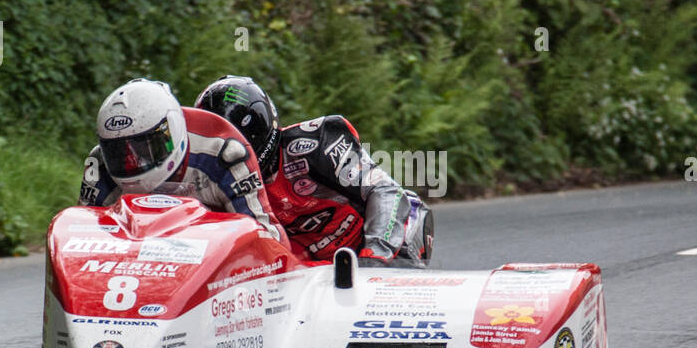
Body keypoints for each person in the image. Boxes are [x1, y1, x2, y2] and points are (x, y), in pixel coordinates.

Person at [194, 75, 433, 266]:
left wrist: (373, 259)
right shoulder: (207, 181)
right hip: (306, 270)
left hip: (370, 248)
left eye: (230, 144)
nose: (225, 155)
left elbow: (385, 191)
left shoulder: (316, 142)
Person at [78, 78, 285, 242]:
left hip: (212, 263)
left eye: (143, 148)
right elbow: (80, 239)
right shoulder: (99, 164)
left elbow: (268, 237)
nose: (132, 161)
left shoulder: (224, 154)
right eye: (118, 152)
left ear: (172, 131)